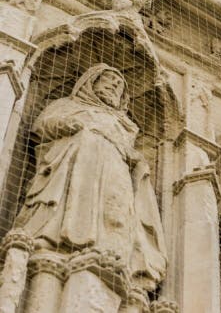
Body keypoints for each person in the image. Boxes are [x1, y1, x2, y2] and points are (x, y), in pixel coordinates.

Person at [14, 63, 166, 290]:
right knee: (69, 206)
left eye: (119, 86)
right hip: (74, 166)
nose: (114, 87)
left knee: (115, 214)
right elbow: (40, 127)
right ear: (91, 82)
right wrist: (66, 124)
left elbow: (132, 155)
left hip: (114, 172)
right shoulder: (68, 105)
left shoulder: (125, 126)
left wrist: (135, 160)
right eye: (109, 80)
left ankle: (109, 256)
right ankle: (54, 245)